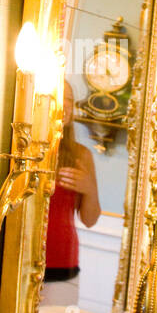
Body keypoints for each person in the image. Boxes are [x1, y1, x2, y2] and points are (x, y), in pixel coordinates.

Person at [45, 80, 100, 281]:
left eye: (69, 99)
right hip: (21, 259)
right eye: (59, 97)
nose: (65, 104)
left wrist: (90, 189)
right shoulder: (27, 150)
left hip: (62, 263)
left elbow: (90, 220)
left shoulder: (81, 155)